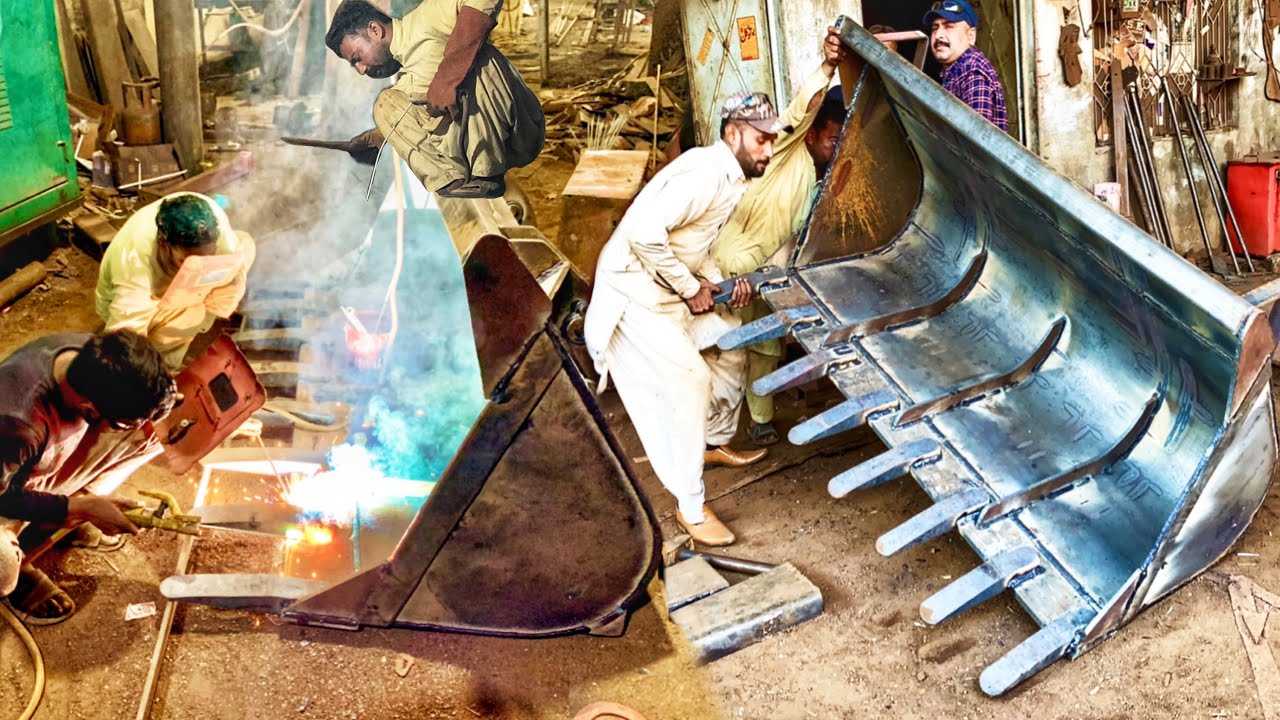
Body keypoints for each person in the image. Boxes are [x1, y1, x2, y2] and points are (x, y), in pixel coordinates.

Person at [583, 92, 780, 547]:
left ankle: (710, 444)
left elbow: (691, 244)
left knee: (730, 345)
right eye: (760, 139)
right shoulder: (704, 174)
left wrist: (717, 282)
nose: (768, 150)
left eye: (772, 140)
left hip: (665, 288)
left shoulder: (731, 178)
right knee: (691, 381)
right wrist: (692, 290)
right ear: (733, 133)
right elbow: (643, 235)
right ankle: (690, 506)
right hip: (633, 294)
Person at [711, 28, 848, 447]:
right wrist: (828, 66)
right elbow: (802, 108)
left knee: (766, 345)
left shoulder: (825, 179)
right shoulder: (786, 147)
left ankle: (760, 419)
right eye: (833, 139)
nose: (838, 148)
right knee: (725, 348)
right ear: (812, 133)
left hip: (766, 271)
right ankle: (713, 433)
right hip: (731, 261)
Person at [0, 330, 177, 624]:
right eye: (121, 424)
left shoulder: (94, 357)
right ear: (89, 410)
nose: (126, 429)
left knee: (151, 437)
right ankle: (23, 556)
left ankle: (67, 516)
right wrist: (80, 507)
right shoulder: (18, 422)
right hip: (5, 489)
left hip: (22, 466)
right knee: (2, 567)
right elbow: (4, 500)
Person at [325, 0, 546, 199]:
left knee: (477, 60)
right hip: (479, 147)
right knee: (387, 104)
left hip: (519, 131)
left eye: (357, 58)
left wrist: (449, 76)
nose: (361, 69)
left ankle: (487, 173)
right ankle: (452, 181)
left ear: (374, 30)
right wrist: (379, 137)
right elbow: (415, 112)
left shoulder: (426, 18)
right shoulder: (407, 75)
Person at [96, 192, 256, 372]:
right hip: (125, 302)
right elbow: (123, 339)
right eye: (188, 260)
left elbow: (237, 260)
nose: (202, 264)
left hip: (176, 284)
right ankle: (165, 368)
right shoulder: (135, 267)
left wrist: (235, 285)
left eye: (209, 255)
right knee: (186, 318)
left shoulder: (217, 228)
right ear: (164, 244)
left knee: (245, 245)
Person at [924, 0, 1007, 132]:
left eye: (949, 26)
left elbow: (977, 135)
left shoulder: (972, 69)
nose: (938, 35)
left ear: (970, 36)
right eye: (935, 28)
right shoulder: (955, 71)